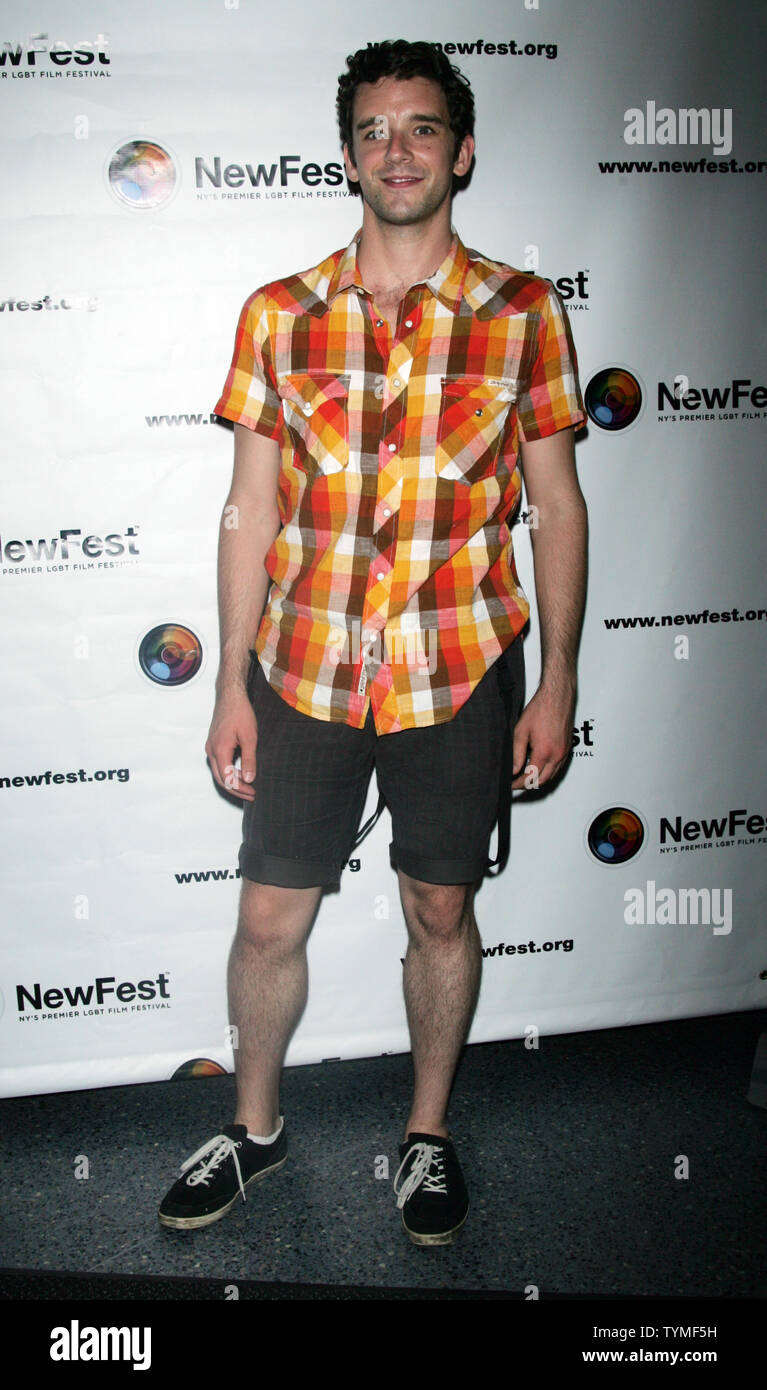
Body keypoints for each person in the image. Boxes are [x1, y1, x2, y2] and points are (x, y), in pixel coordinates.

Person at [158, 39, 587, 1247]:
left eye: (417, 129)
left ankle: (427, 1134)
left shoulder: (521, 313)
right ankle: (253, 1129)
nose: (393, 151)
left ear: (460, 149)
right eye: (370, 131)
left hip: (457, 669)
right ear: (346, 154)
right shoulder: (279, 314)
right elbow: (250, 510)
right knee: (264, 923)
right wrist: (231, 682)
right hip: (303, 671)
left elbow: (556, 505)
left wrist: (556, 682)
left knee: (439, 914)